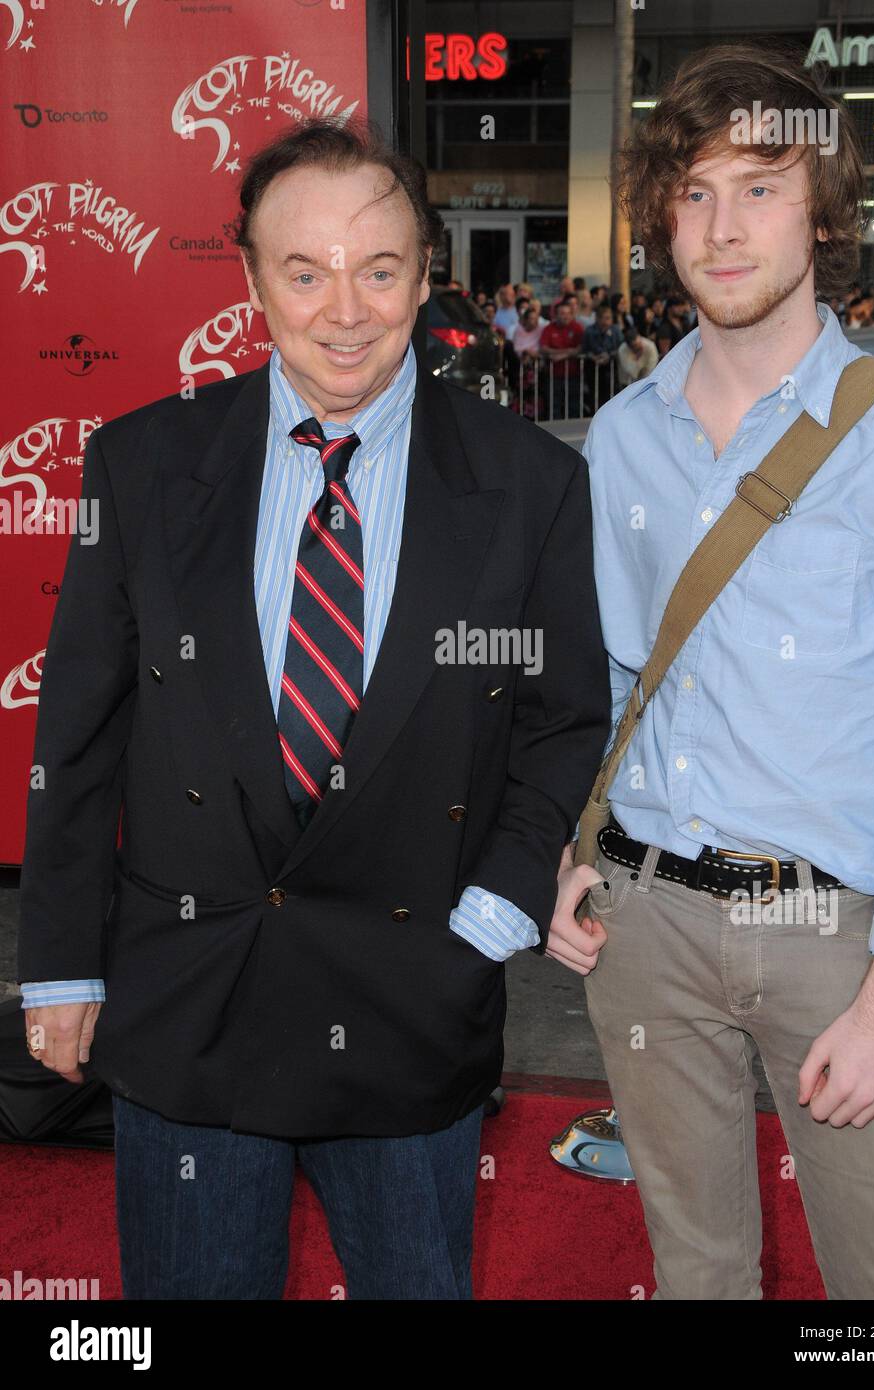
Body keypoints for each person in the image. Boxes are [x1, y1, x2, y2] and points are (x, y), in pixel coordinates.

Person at [17, 117, 611, 1301]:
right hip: (189, 997)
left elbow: (561, 717)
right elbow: (76, 739)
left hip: (410, 1005)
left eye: (378, 269)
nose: (344, 308)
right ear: (249, 278)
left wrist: (492, 912)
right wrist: (60, 968)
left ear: (427, 275)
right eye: (304, 270)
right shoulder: (141, 466)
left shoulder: (531, 482)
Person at [547, 40, 874, 1300]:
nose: (721, 228)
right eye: (694, 191)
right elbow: (613, 676)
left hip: (835, 940)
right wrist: (575, 848)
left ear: (823, 213)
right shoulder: (618, 438)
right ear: (659, 218)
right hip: (644, 926)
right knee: (696, 1269)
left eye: (761, 187)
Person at [538, 298, 585, 420]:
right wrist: (568, 351)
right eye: (562, 313)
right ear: (556, 315)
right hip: (554, 376)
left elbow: (580, 348)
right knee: (554, 407)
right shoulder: (549, 328)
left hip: (573, 375)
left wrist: (562, 356)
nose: (566, 316)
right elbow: (543, 348)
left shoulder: (577, 327)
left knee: (574, 406)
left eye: (568, 313)